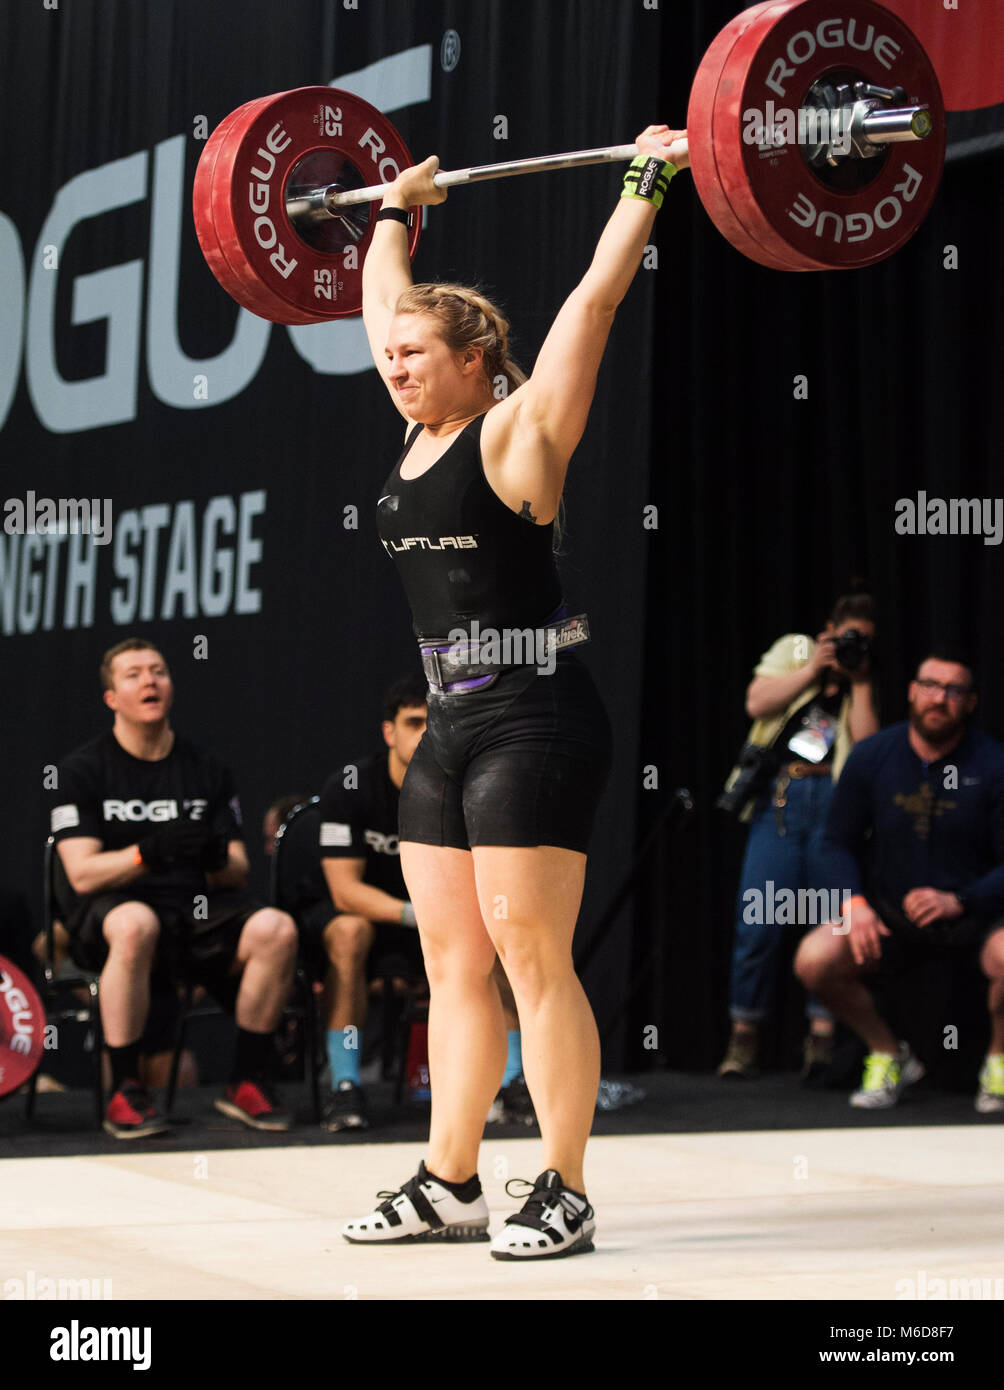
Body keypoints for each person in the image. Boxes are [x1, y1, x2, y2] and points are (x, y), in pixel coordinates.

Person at [340, 125, 687, 1260]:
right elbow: (383, 294)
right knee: (452, 965)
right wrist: (395, 206)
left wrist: (647, 181)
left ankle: (564, 1181)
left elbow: (589, 306)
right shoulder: (414, 422)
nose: (392, 363)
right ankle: (451, 1179)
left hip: (532, 717)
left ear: (477, 357)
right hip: (445, 728)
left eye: (415, 354)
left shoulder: (517, 433)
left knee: (531, 956)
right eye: (390, 355)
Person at [48, 638, 298, 1138]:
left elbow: (238, 870)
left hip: (193, 911)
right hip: (111, 919)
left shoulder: (206, 770)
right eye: (134, 674)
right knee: (137, 922)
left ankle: (246, 1081)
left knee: (277, 928)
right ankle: (124, 1089)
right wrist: (147, 853)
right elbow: (81, 874)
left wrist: (209, 858)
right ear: (112, 697)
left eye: (158, 671)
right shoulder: (80, 772)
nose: (149, 681)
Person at [795, 653, 1004, 1111]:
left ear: (969, 702)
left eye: (953, 690)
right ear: (912, 691)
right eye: (931, 685)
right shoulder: (874, 755)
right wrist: (854, 904)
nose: (940, 698)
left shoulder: (992, 763)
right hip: (888, 916)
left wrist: (961, 900)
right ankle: (888, 1053)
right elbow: (834, 843)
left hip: (976, 918)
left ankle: (998, 1063)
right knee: (815, 958)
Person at [717, 594, 879, 1082]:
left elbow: (868, 749)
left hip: (834, 797)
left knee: (830, 921)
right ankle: (744, 1038)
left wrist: (862, 681)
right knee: (758, 920)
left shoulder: (860, 678)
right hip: (783, 797)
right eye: (847, 636)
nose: (853, 646)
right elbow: (756, 701)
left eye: (864, 641)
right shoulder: (796, 651)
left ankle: (822, 1041)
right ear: (827, 629)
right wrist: (815, 669)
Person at [307, 674, 428, 1131]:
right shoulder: (353, 785)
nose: (425, 734)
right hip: (365, 920)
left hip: (433, 924)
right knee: (349, 931)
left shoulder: (463, 789)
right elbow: (344, 891)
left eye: (436, 723)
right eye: (414, 722)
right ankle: (345, 1086)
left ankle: (512, 1083)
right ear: (388, 731)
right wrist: (419, 915)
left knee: (497, 930)